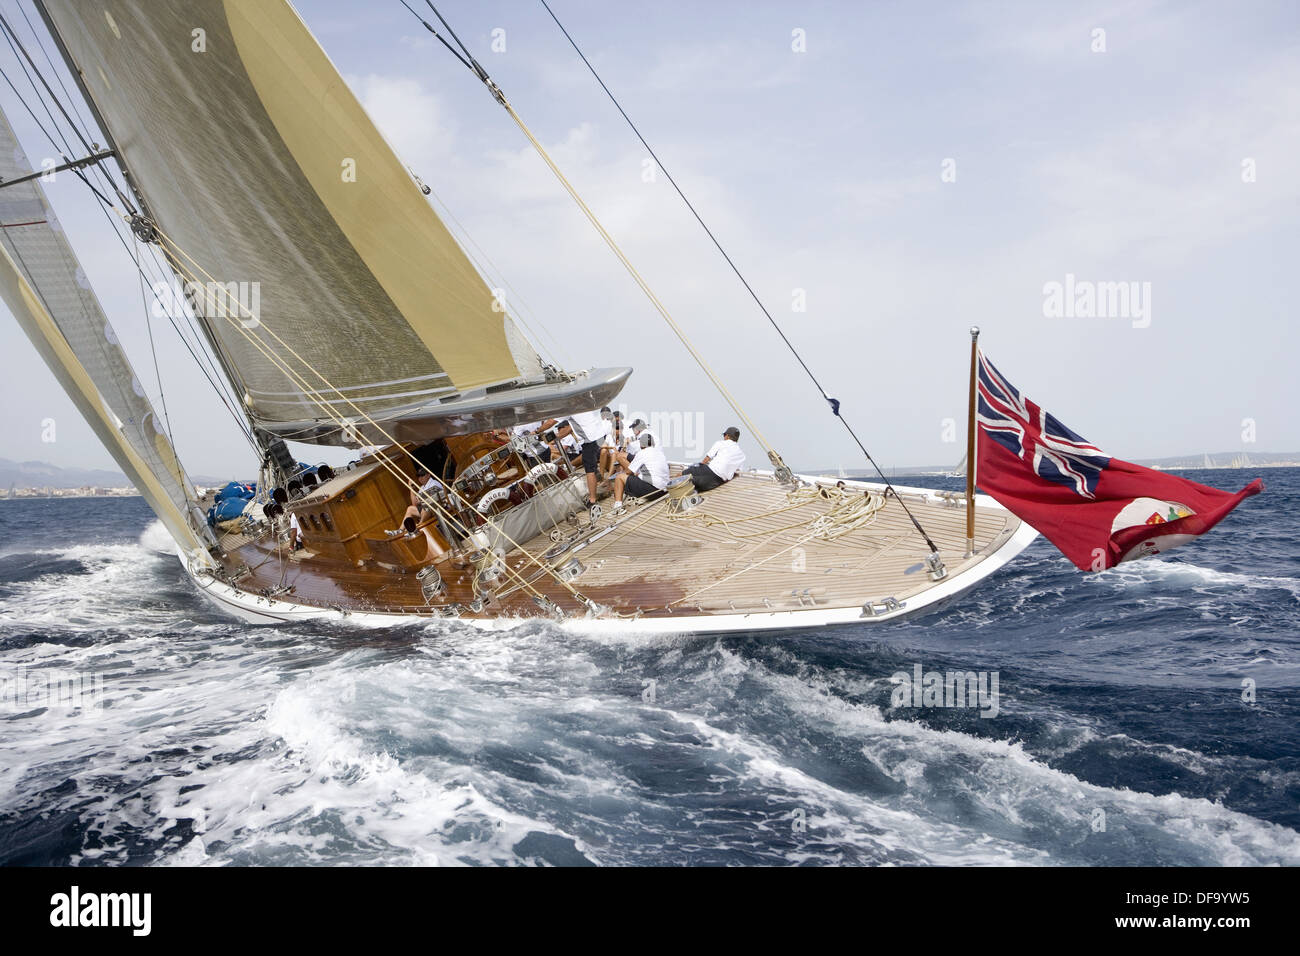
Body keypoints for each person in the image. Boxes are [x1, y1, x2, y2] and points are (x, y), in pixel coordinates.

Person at [539, 408, 608, 508]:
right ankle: (606, 487)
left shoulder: (568, 408)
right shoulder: (580, 405)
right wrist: (555, 438)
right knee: (591, 465)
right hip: (598, 436)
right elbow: (569, 429)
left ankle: (592, 500)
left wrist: (537, 431)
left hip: (590, 440)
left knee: (589, 470)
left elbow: (550, 422)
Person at [611, 433, 669, 513]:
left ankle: (617, 507)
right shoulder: (660, 453)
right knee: (634, 476)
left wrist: (623, 472)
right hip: (663, 490)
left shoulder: (642, 453)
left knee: (619, 477)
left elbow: (629, 471)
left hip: (652, 491)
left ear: (641, 444)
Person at [683, 426, 746, 492]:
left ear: (727, 436)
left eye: (724, 435)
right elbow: (737, 473)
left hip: (709, 471)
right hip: (717, 482)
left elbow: (706, 459)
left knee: (683, 476)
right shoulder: (742, 455)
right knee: (698, 486)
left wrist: (698, 466)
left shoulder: (720, 443)